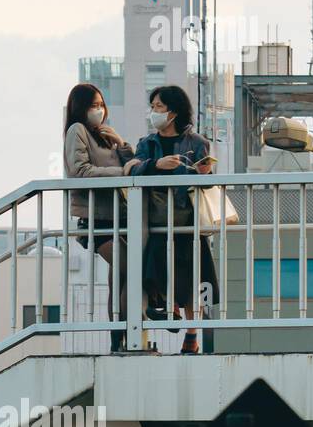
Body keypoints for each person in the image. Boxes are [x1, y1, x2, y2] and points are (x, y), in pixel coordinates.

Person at [130, 85, 220, 354]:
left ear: (174, 111)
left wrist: (204, 173)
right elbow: (135, 170)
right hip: (156, 220)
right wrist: (156, 165)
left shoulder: (197, 142)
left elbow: (207, 182)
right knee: (158, 272)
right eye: (153, 106)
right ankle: (169, 310)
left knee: (193, 279)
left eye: (159, 107)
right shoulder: (147, 143)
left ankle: (191, 334)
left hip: (188, 219)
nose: (154, 112)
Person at [63, 83, 136, 352]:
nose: (99, 110)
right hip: (96, 222)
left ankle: (120, 340)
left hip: (121, 219)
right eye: (93, 105)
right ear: (80, 107)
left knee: (121, 278)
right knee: (133, 269)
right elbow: (80, 172)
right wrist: (122, 174)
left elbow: (135, 166)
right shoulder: (77, 131)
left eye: (101, 104)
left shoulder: (103, 135)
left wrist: (120, 142)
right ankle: (126, 335)